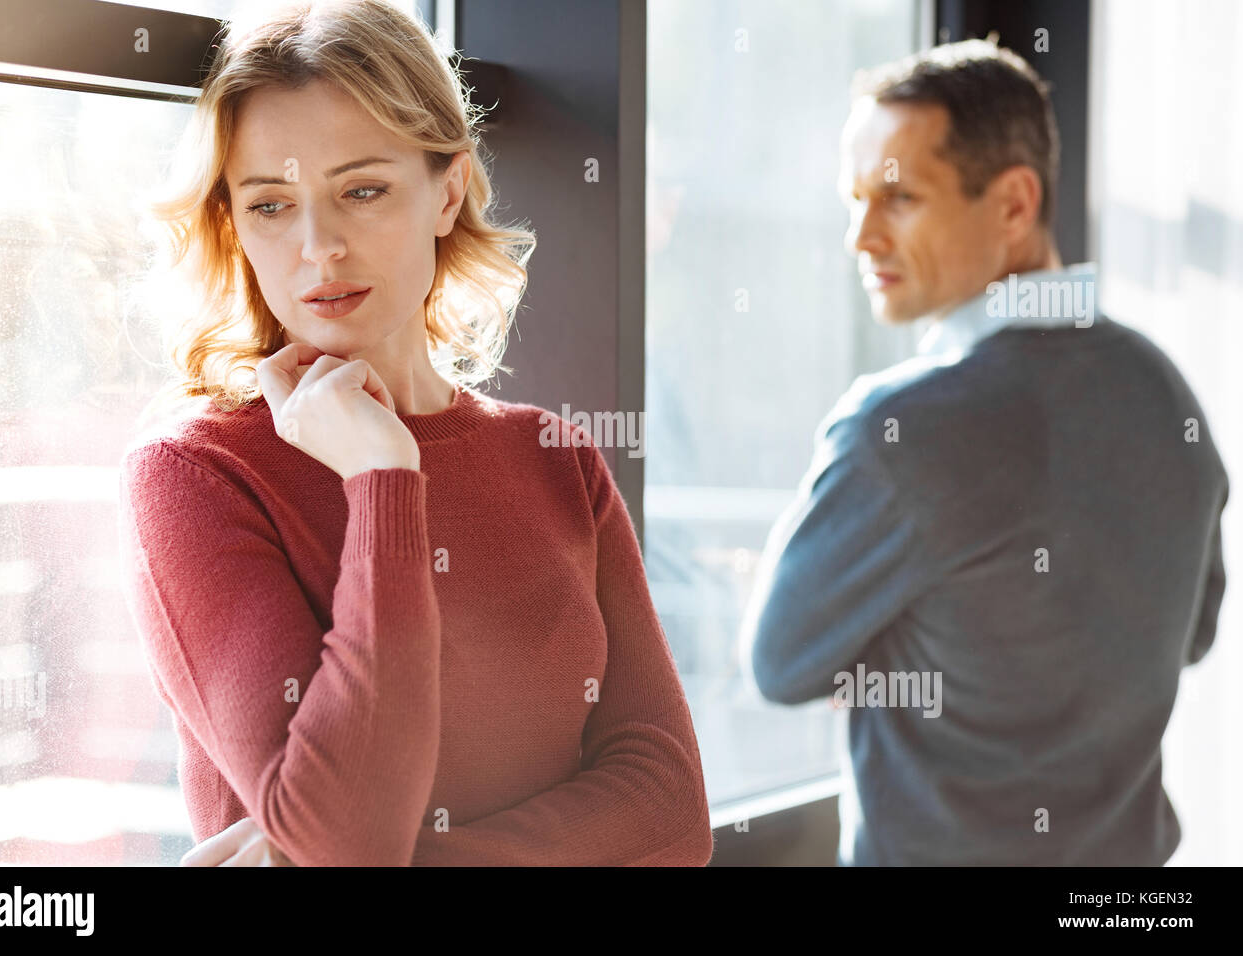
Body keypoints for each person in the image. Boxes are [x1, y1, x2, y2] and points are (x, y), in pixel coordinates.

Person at [117, 0, 712, 867]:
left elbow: (671, 811)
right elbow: (344, 838)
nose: (318, 247)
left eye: (361, 190)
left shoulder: (557, 459)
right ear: (233, 224)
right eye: (271, 205)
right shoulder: (194, 471)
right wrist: (382, 481)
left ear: (449, 189)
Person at [739, 38, 1228, 866]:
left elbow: (781, 665)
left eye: (898, 199)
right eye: (852, 199)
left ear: (1012, 204)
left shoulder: (899, 431)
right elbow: (1190, 633)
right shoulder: (1165, 392)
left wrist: (882, 638)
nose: (861, 236)